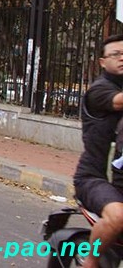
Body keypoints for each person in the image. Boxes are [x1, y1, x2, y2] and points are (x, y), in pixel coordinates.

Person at [73, 34, 123, 268]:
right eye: (116, 54)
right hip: (94, 178)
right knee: (118, 216)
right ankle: (90, 262)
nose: (122, 58)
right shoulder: (99, 90)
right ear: (103, 62)